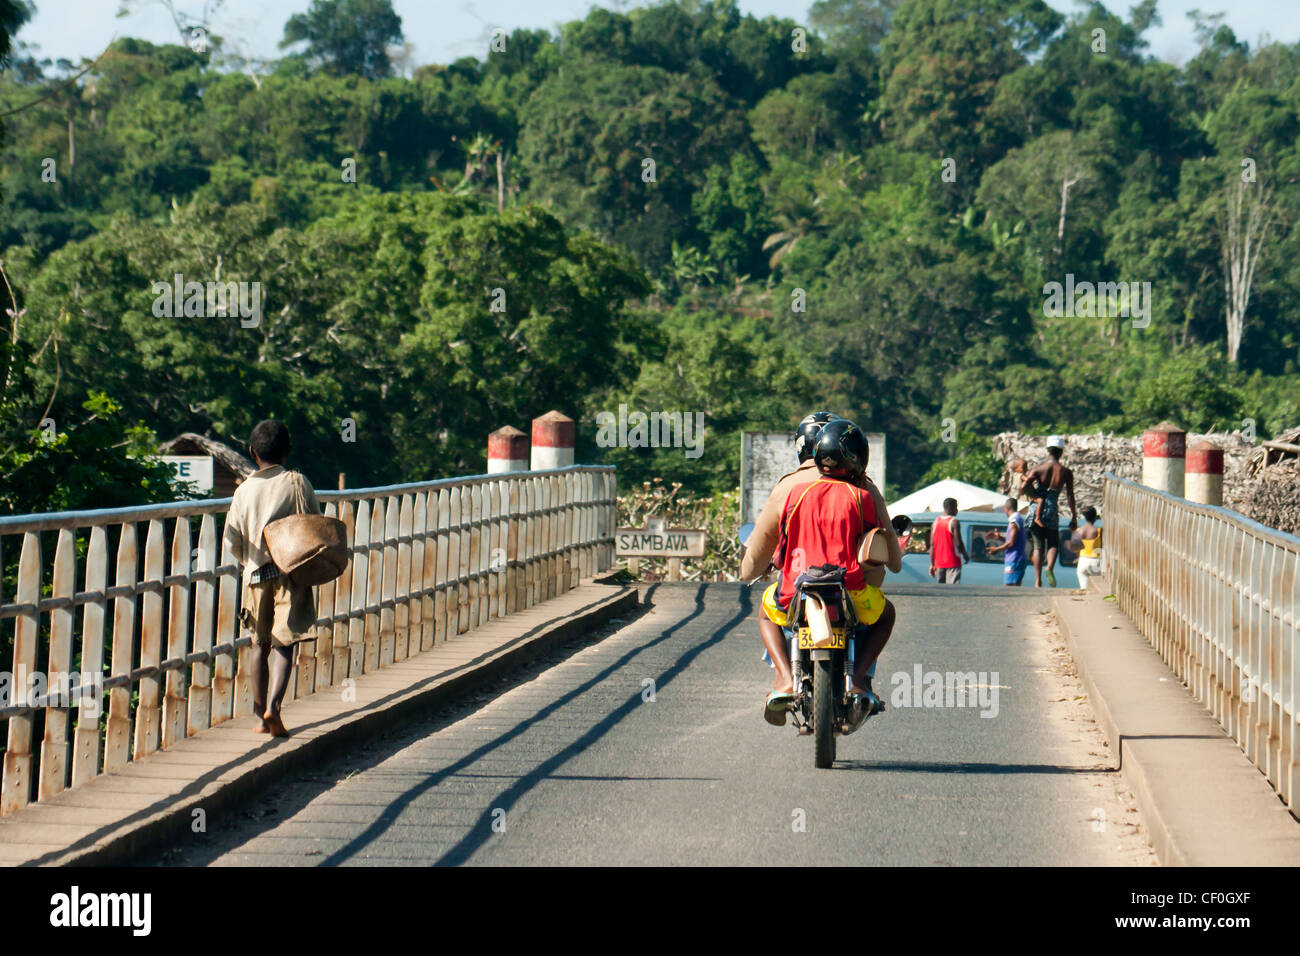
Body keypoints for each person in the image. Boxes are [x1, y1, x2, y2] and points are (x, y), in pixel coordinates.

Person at [740, 413, 900, 724]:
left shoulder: (792, 492)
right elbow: (879, 540)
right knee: (887, 614)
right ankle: (859, 679)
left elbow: (772, 544)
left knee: (765, 611)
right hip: (848, 589)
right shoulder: (862, 493)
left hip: (796, 588)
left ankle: (784, 679)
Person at [223, 420, 322, 737]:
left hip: (256, 574)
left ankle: (259, 715)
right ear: (287, 451)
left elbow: (231, 540)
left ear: (252, 452)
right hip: (291, 571)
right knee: (284, 642)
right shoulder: (297, 482)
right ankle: (275, 708)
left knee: (258, 644)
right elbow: (314, 523)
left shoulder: (243, 491)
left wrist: (249, 562)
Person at [1017, 436, 1078, 588]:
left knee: (1038, 546)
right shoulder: (1065, 472)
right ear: (1061, 452)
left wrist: (1036, 496)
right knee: (1053, 543)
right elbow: (1070, 495)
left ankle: (1038, 581)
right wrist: (1074, 516)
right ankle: (1049, 567)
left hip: (1036, 506)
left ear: (1048, 450)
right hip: (1052, 507)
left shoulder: (1038, 469)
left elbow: (1023, 487)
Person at [987, 497, 1028, 586]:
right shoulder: (1018, 519)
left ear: (1006, 508)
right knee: (1014, 587)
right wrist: (999, 538)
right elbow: (1013, 540)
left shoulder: (1014, 521)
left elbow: (1011, 543)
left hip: (1014, 559)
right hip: (1017, 559)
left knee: (1008, 587)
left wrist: (996, 549)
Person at [929, 497, 968, 584]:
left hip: (939, 563)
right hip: (953, 562)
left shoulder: (935, 522)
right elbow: (958, 543)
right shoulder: (954, 522)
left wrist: (932, 564)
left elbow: (932, 545)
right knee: (953, 591)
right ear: (950, 507)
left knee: (941, 592)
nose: (957, 510)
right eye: (956, 507)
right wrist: (965, 554)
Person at [1070, 506, 1103, 586]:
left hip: (1083, 561)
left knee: (1083, 587)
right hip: (1096, 561)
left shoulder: (1078, 531)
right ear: (1095, 518)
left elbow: (1075, 548)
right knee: (1096, 588)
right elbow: (1102, 547)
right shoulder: (1099, 531)